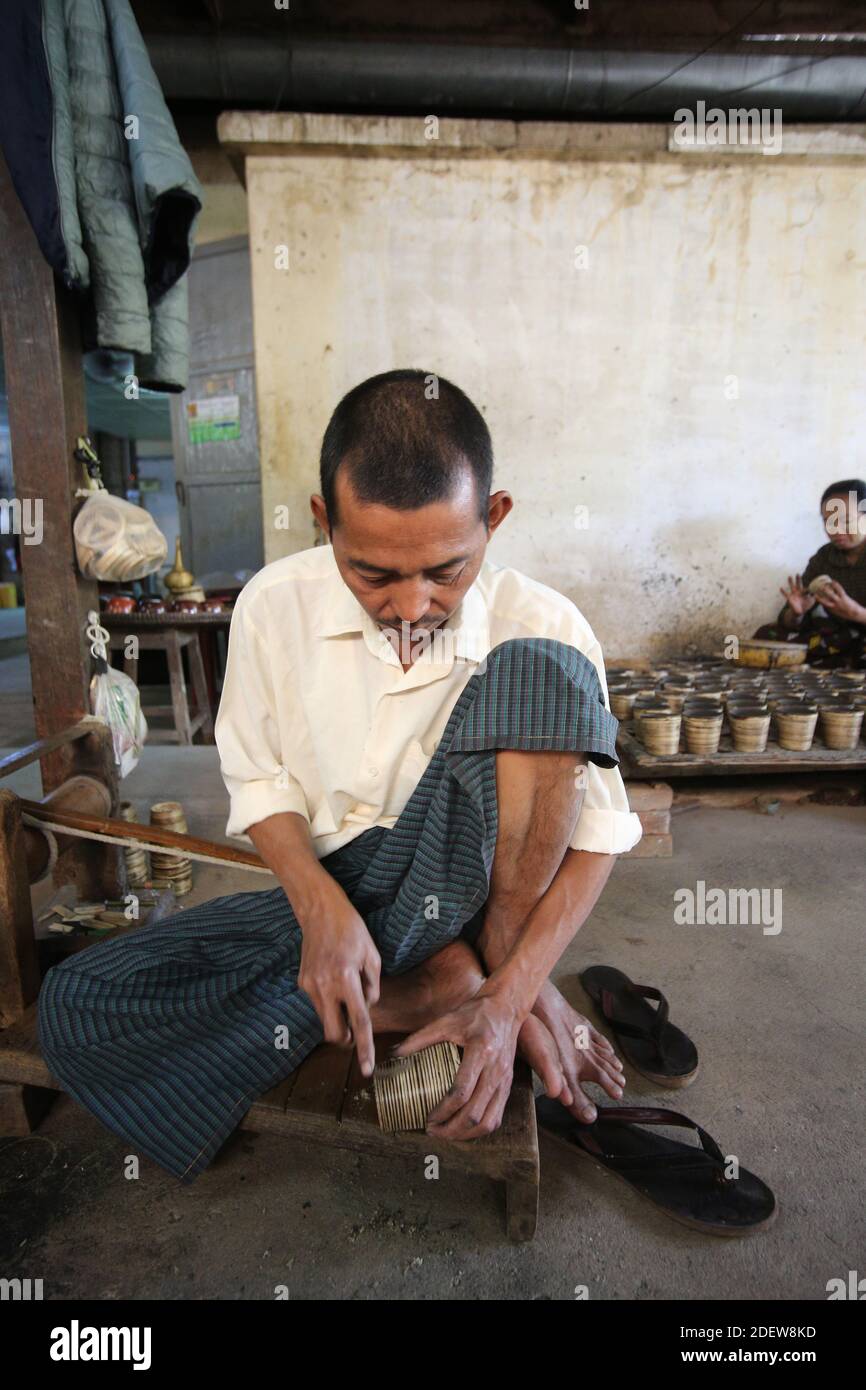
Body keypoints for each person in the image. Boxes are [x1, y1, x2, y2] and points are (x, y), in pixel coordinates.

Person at [38, 369, 642, 1181]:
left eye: (445, 571)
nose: (410, 606)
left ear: (493, 520)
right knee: (80, 1004)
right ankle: (427, 989)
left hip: (477, 896)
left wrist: (516, 994)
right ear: (324, 522)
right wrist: (322, 913)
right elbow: (261, 785)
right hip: (345, 896)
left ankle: (483, 977)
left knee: (541, 670)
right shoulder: (270, 606)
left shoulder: (543, 622)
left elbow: (597, 838)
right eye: (375, 574)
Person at [754, 479, 866, 669]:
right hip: (839, 637)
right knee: (766, 634)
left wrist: (857, 613)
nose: (836, 529)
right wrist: (797, 613)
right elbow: (789, 621)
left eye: (846, 520)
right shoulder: (824, 557)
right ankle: (836, 665)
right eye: (828, 522)